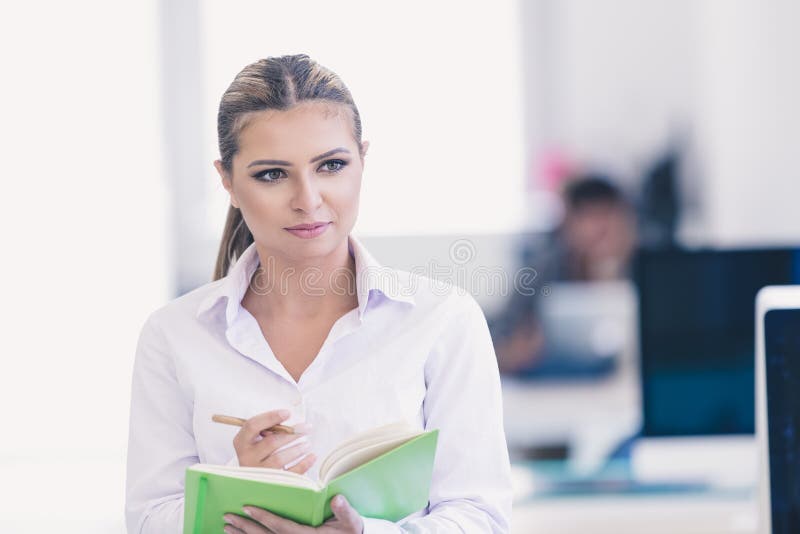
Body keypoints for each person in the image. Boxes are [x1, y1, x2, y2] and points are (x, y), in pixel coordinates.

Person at [125, 54, 511, 534]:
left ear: (362, 161)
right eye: (272, 174)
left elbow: (481, 516)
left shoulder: (443, 320)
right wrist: (234, 490)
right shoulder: (174, 335)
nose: (307, 200)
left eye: (331, 165)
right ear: (227, 181)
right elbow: (149, 519)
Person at [491, 174, 636, 374]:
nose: (602, 231)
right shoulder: (542, 270)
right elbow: (499, 339)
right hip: (556, 387)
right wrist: (514, 353)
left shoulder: (642, 269)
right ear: (569, 224)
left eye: (610, 218)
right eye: (592, 218)